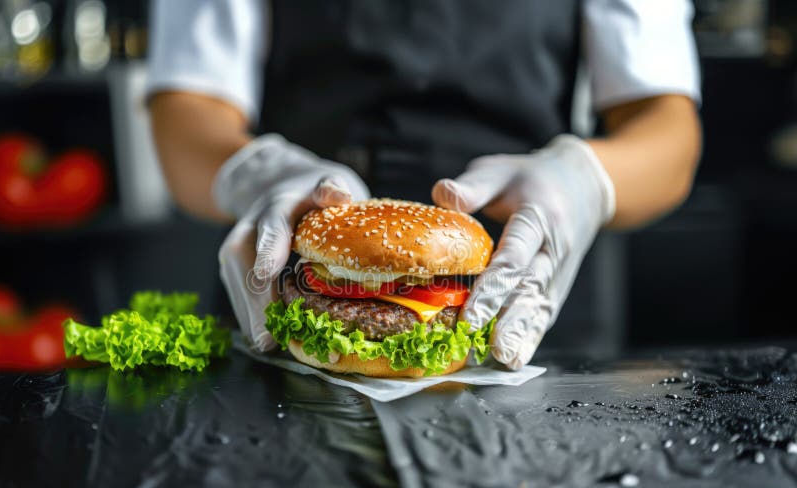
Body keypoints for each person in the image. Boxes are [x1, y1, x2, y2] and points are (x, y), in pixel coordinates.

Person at [146, 1, 702, 370]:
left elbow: (667, 131)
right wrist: (262, 173)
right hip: (291, 257)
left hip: (533, 298)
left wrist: (581, 180)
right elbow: (186, 110)